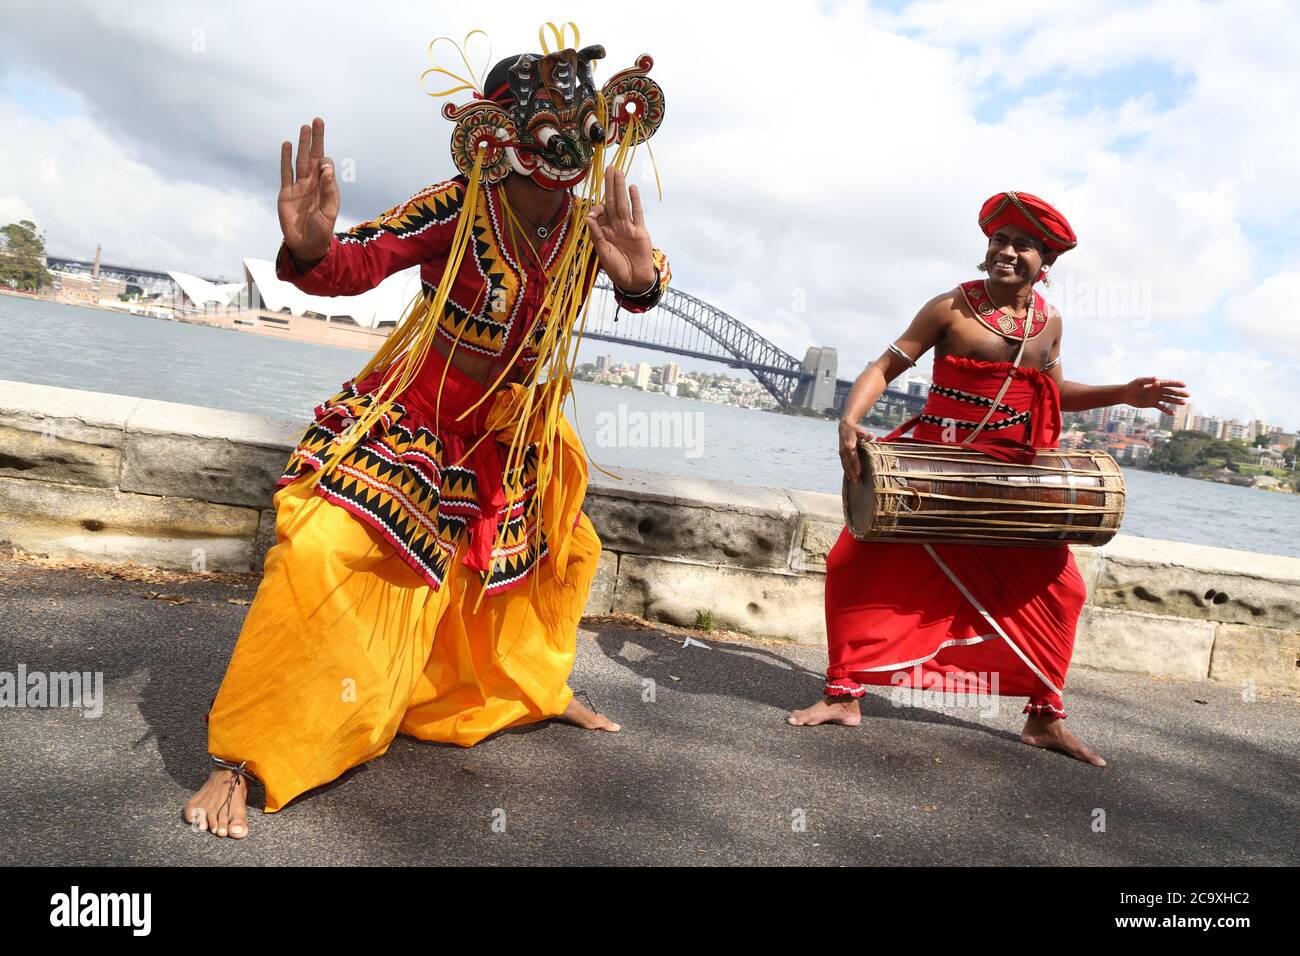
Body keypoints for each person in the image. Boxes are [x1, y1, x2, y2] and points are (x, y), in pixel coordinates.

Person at [183, 34, 670, 838]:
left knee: (560, 554)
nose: (570, 142)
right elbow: (358, 264)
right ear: (498, 131)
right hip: (414, 419)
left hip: (514, 434)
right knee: (320, 553)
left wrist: (640, 278)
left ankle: (531, 690)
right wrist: (309, 248)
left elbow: (650, 277)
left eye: (584, 123)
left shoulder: (596, 228)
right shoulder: (458, 202)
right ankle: (247, 755)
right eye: (551, 124)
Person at [788, 191, 1188, 767]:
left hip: (1008, 477)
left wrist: (1123, 393)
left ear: (1044, 260)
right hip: (933, 465)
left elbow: (1055, 391)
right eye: (999, 240)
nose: (1007, 250)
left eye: (1023, 244)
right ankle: (844, 696)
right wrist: (850, 420)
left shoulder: (1048, 323)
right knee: (853, 563)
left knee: (1064, 590)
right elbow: (883, 367)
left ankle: (1044, 718)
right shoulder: (949, 307)